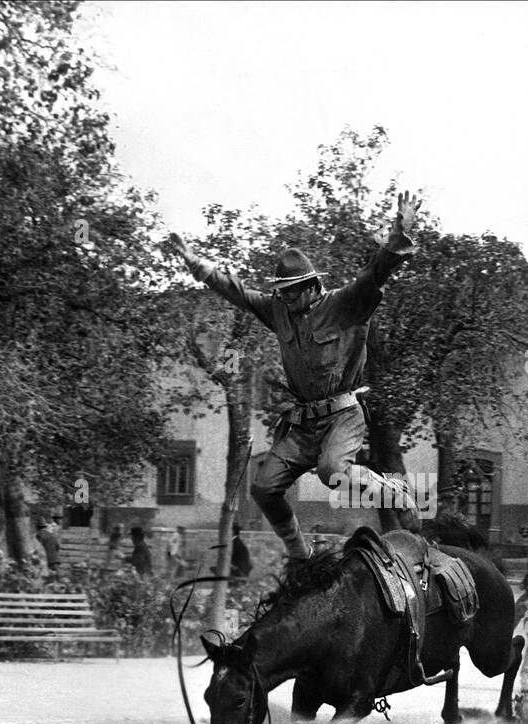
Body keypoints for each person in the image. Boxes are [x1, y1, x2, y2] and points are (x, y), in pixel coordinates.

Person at [165, 191, 424, 563]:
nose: (282, 300)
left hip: (343, 416)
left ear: (310, 286)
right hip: (304, 423)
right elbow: (238, 292)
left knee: (331, 470)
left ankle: (395, 490)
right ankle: (301, 555)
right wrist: (197, 266)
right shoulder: (279, 310)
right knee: (264, 488)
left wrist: (400, 231)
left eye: (289, 293)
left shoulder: (345, 303)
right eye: (279, 294)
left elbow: (376, 272)